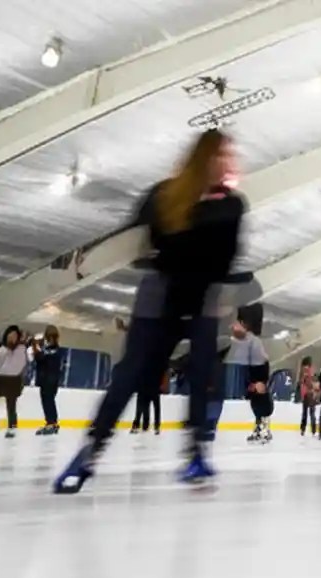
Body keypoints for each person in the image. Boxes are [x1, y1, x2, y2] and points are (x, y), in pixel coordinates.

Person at [56, 129, 245, 493]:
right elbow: (136, 240)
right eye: (223, 154)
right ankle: (91, 450)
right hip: (163, 300)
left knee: (204, 372)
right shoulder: (165, 195)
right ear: (206, 158)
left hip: (199, 298)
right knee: (131, 376)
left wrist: (180, 252)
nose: (229, 162)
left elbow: (218, 256)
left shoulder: (227, 205)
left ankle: (196, 451)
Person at [228, 319, 271, 444]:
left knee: (262, 406)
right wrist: (249, 384)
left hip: (259, 379)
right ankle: (259, 430)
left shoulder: (256, 346)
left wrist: (262, 382)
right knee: (256, 407)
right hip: (253, 380)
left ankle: (264, 431)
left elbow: (264, 362)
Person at [0, 325, 29, 438]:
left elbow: (23, 364)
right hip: (0, 377)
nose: (12, 338)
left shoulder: (21, 349)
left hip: (13, 379)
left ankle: (12, 426)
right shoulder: (1, 351)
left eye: (14, 336)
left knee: (11, 404)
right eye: (10, 336)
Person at [32, 326, 65, 435]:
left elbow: (40, 358)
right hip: (47, 379)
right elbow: (39, 358)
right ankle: (51, 422)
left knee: (48, 401)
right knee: (47, 401)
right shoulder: (51, 349)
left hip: (49, 380)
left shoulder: (53, 350)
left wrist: (36, 346)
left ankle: (52, 423)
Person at [132, 370, 167, 435]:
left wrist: (162, 384)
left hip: (153, 386)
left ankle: (154, 426)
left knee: (152, 407)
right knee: (144, 406)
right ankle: (144, 425)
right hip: (146, 386)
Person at [297, 357, 320, 437]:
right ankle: (313, 429)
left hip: (305, 394)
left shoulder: (303, 371)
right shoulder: (309, 371)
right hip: (310, 394)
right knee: (312, 412)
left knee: (305, 413)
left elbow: (302, 382)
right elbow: (311, 382)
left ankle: (303, 429)